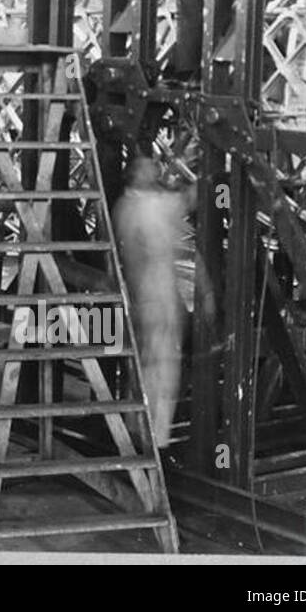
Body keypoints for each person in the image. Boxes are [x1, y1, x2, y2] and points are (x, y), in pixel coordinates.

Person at [111, 155, 189, 448]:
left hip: (142, 292)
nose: (155, 167)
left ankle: (137, 429)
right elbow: (188, 201)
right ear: (134, 175)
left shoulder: (126, 206)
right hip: (154, 292)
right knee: (162, 366)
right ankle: (154, 440)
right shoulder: (145, 207)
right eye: (147, 165)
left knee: (145, 364)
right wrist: (217, 181)